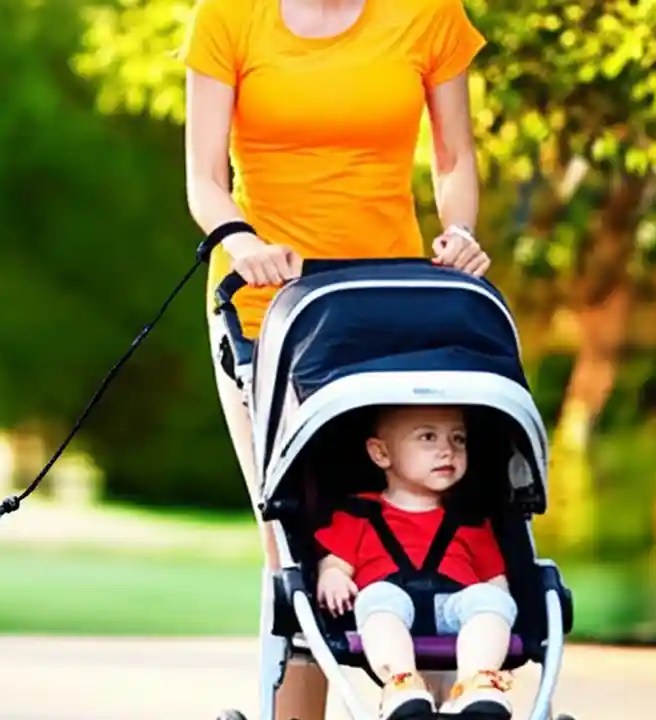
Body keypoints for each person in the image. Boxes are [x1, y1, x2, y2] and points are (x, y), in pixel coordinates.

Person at [182, 0, 491, 717]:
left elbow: (454, 158)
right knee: (296, 546)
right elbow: (204, 177)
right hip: (271, 313)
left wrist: (461, 231)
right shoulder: (227, 17)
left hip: (391, 307)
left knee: (422, 534)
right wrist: (240, 241)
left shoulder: (429, 14)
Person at [315, 405, 516, 719]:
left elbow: (494, 581)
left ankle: (477, 683)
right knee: (378, 598)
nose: (447, 451)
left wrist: (499, 613)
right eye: (428, 437)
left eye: (459, 439)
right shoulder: (359, 514)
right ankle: (401, 682)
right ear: (381, 454)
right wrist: (332, 576)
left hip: (455, 607)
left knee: (490, 600)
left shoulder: (470, 519)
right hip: (389, 604)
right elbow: (335, 563)